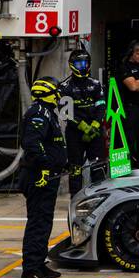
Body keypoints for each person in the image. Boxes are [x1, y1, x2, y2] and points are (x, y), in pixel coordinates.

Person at [18, 78, 69, 278]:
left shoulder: (48, 112)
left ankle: (39, 263)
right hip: (39, 177)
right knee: (38, 223)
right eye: (56, 91)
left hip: (48, 176)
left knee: (44, 221)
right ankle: (30, 271)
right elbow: (32, 144)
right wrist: (46, 166)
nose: (59, 95)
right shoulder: (39, 113)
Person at [57, 48, 106, 196]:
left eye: (84, 63)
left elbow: (101, 106)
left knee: (98, 166)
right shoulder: (64, 87)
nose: (82, 67)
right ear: (72, 65)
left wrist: (95, 125)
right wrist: (83, 127)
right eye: (78, 64)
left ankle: (101, 196)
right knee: (75, 168)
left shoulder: (96, 84)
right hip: (75, 134)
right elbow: (65, 113)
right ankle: (75, 199)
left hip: (95, 132)